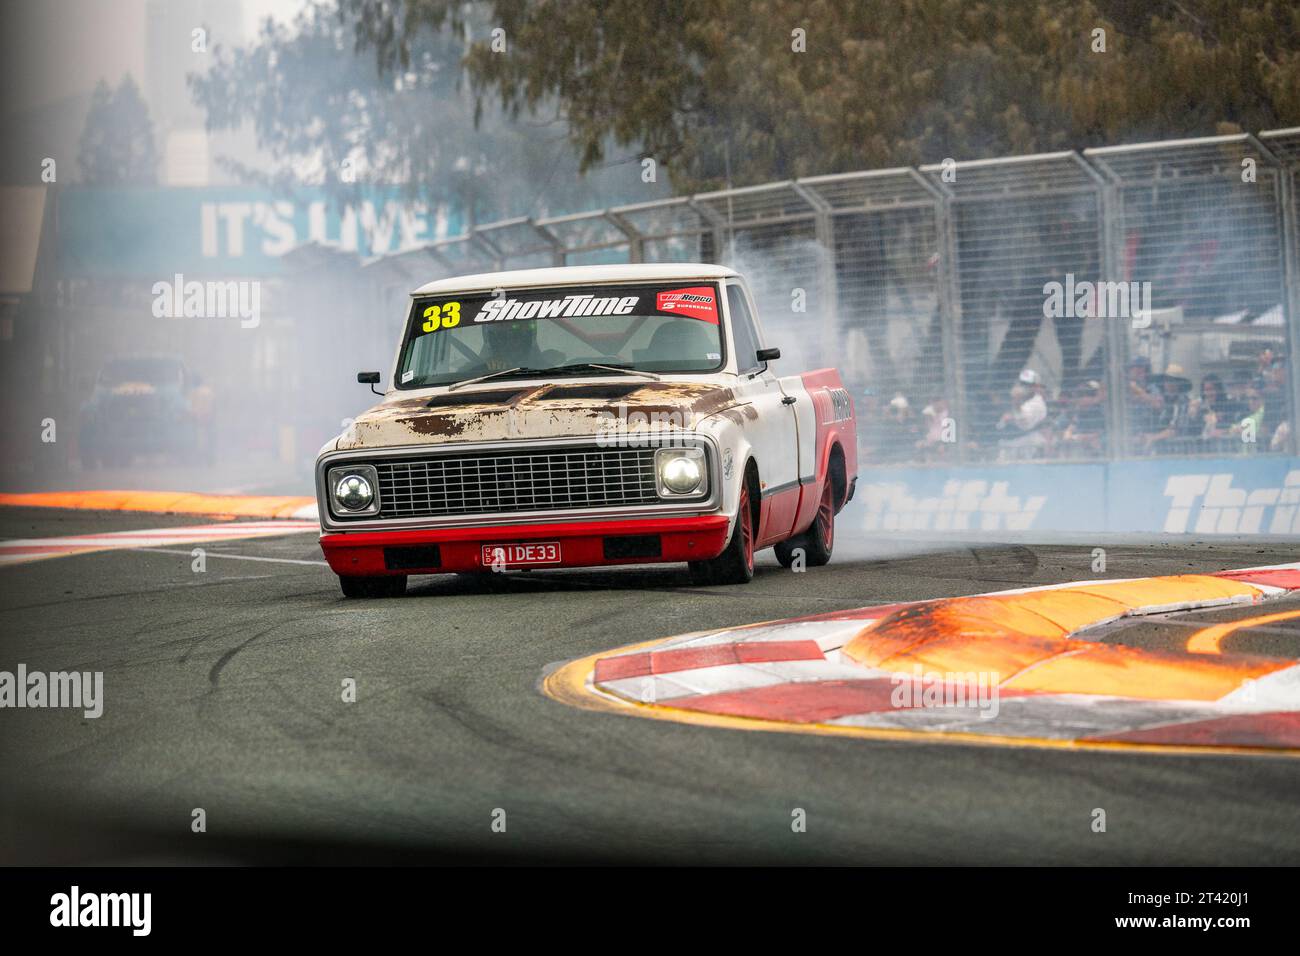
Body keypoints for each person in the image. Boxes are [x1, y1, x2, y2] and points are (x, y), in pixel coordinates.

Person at [996, 370, 1050, 461]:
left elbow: (1025, 424)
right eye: (1022, 384)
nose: (1023, 387)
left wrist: (1016, 404)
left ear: (1036, 386)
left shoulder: (1037, 403)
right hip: (1008, 445)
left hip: (1028, 447)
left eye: (1027, 385)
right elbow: (1000, 425)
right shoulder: (1019, 399)